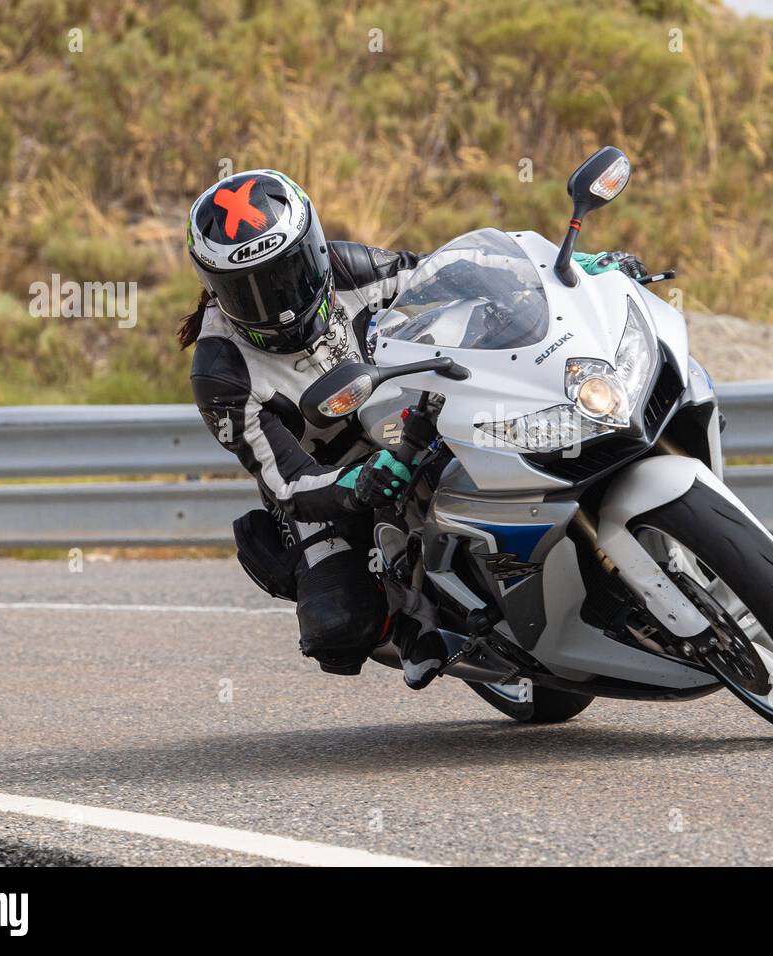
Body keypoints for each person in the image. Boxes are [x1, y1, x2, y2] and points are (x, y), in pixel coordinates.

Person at [179, 168, 644, 689]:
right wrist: (357, 484)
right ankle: (411, 627)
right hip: (328, 479)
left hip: (402, 408)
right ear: (215, 290)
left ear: (312, 248)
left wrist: (572, 272)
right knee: (338, 622)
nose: (281, 301)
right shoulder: (221, 372)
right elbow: (286, 482)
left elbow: (445, 272)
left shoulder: (346, 267)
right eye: (252, 292)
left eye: (288, 273)